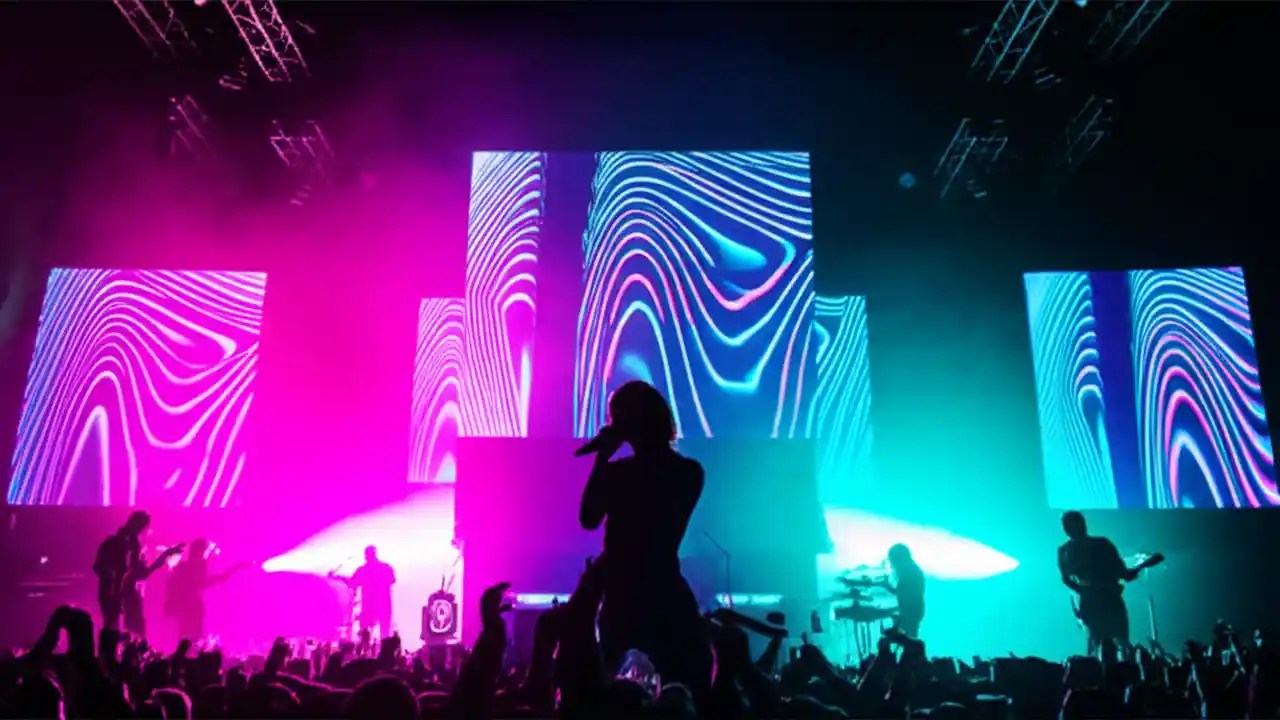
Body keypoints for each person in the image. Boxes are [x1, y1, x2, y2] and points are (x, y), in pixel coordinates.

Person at [577, 380, 713, 706]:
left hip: (625, 587)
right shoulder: (688, 472)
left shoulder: (627, 474)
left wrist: (603, 461)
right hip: (661, 585)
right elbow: (590, 519)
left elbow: (589, 519)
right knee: (686, 680)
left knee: (602, 684)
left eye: (619, 420)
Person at [1057, 510, 1136, 656]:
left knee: (1100, 644)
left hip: (1097, 602)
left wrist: (1083, 590)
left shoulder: (1065, 551)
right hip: (1105, 601)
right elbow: (1123, 573)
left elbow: (1066, 579)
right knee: (1116, 643)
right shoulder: (1102, 544)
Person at [93, 511, 182, 637]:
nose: (145, 533)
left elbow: (141, 573)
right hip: (114, 594)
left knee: (130, 632)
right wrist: (114, 580)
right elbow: (99, 567)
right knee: (113, 630)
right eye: (145, 528)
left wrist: (163, 557)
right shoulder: (115, 544)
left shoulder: (132, 546)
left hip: (123, 593)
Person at [164, 538, 243, 641]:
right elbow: (200, 583)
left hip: (185, 609)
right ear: (200, 551)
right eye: (208, 550)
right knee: (190, 637)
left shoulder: (186, 566)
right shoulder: (196, 565)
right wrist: (219, 578)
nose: (209, 554)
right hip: (189, 608)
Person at [331, 545, 397, 638]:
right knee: (383, 632)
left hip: (371, 605)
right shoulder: (385, 567)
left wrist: (337, 578)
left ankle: (368, 648)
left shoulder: (364, 570)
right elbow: (392, 580)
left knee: (367, 633)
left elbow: (352, 582)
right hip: (382, 604)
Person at [882, 543, 926, 638]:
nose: (891, 565)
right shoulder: (911, 571)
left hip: (911, 613)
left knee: (909, 639)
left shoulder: (910, 573)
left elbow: (906, 595)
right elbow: (903, 593)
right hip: (912, 612)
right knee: (909, 638)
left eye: (892, 561)